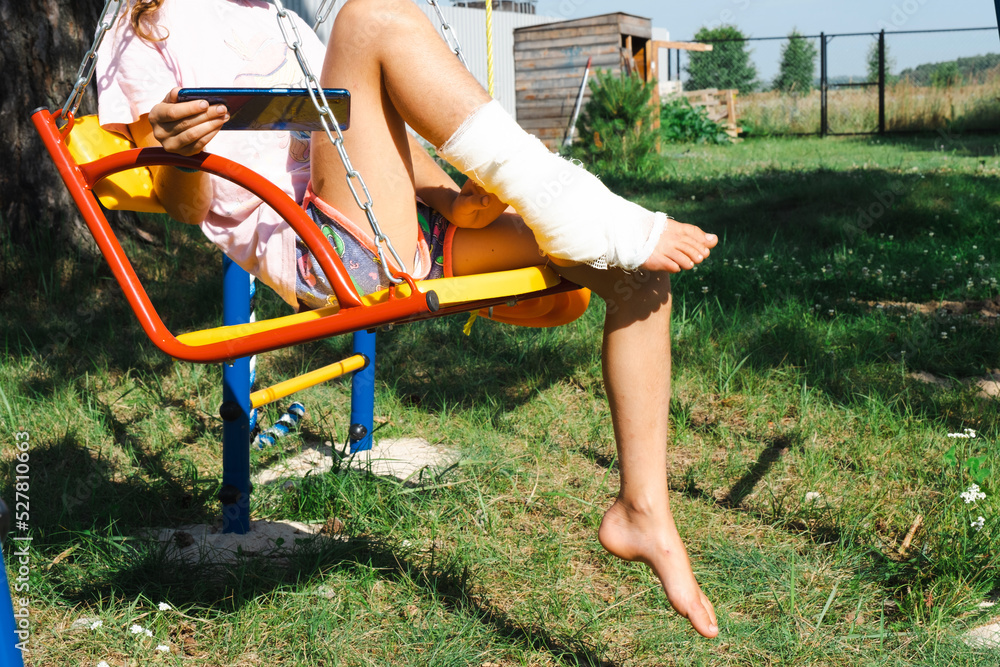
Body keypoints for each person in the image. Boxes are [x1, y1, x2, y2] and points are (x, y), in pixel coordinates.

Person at [97, 0, 720, 638]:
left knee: (638, 273)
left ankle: (644, 511)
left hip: (400, 223)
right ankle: (569, 200)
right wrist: (176, 155)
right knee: (368, 17)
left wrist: (455, 198)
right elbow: (183, 205)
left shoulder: (272, 15)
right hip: (327, 249)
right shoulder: (139, 30)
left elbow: (358, 124)